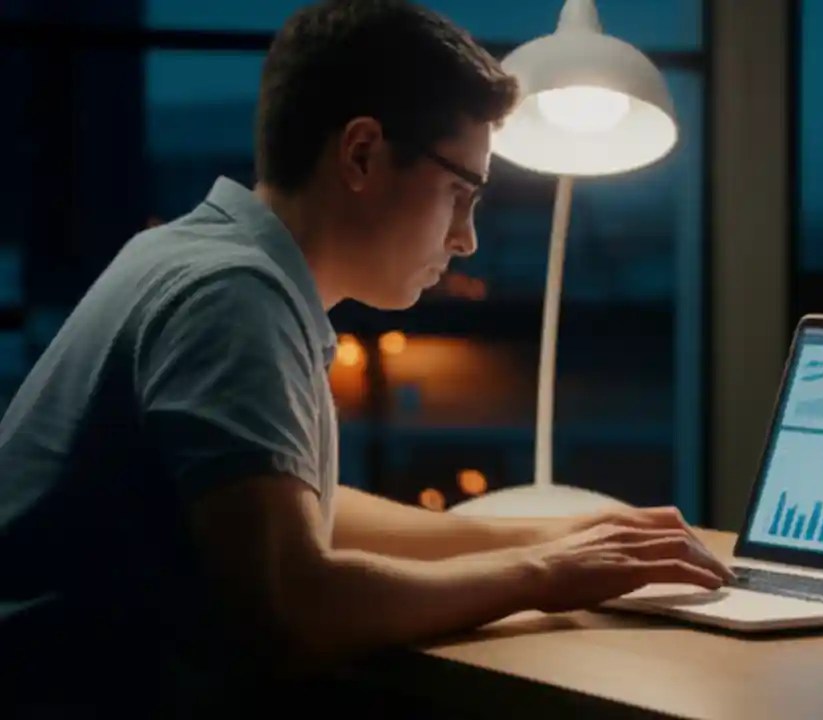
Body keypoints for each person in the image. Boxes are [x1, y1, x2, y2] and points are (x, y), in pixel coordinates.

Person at [0, 0, 732, 711]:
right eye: (460, 191)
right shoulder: (232, 298)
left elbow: (296, 511)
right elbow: (291, 607)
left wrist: (556, 537)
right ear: (360, 154)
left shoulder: (195, 254)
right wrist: (540, 574)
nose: (466, 238)